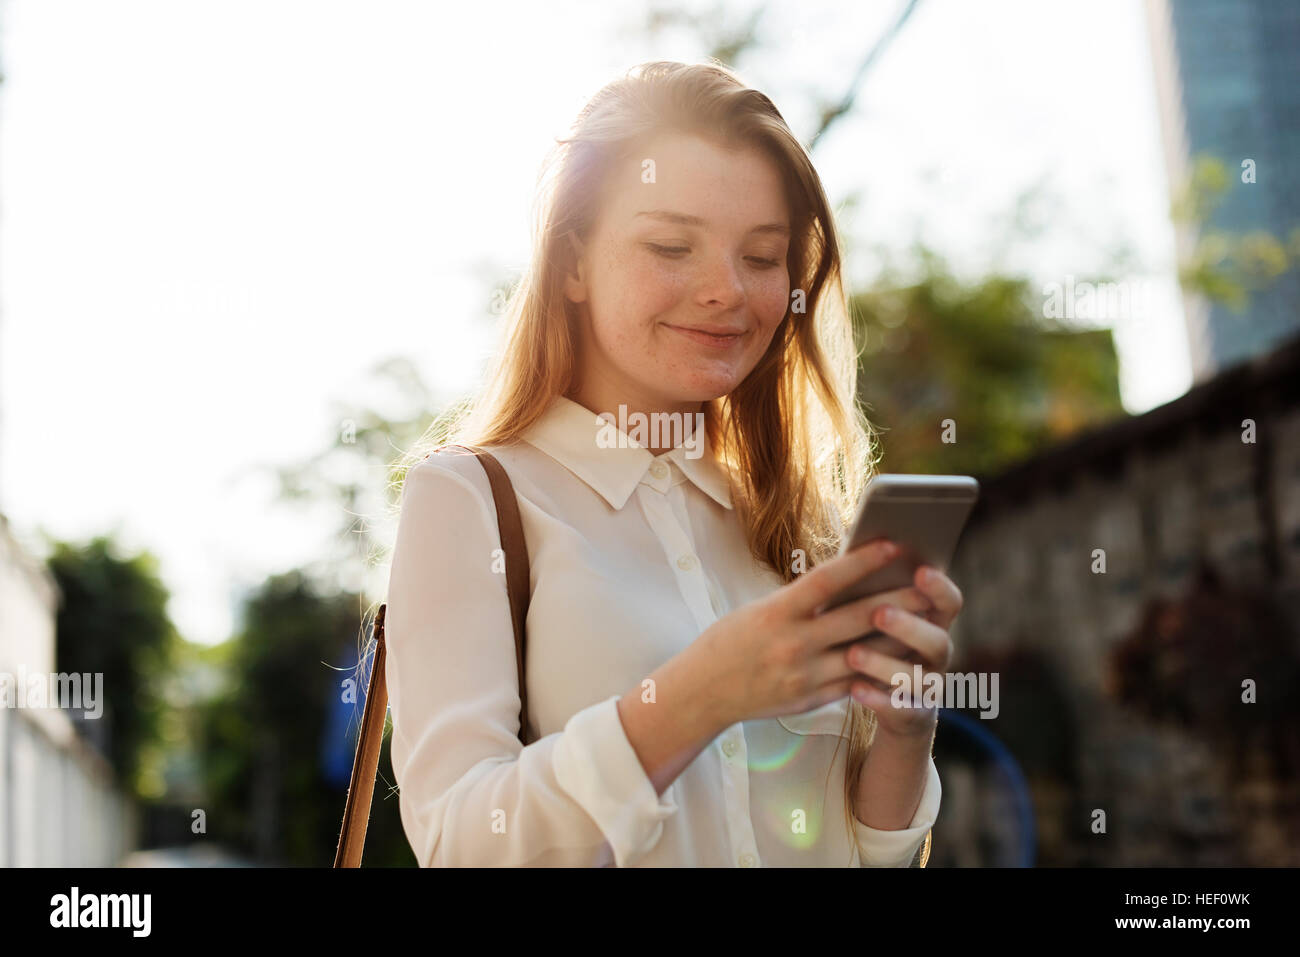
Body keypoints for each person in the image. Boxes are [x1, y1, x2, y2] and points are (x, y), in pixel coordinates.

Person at [384, 60, 964, 867]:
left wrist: (905, 731)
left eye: (762, 257)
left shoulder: (795, 521)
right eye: (670, 245)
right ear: (574, 262)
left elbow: (865, 854)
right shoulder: (471, 500)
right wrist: (699, 694)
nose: (726, 290)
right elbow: (459, 841)